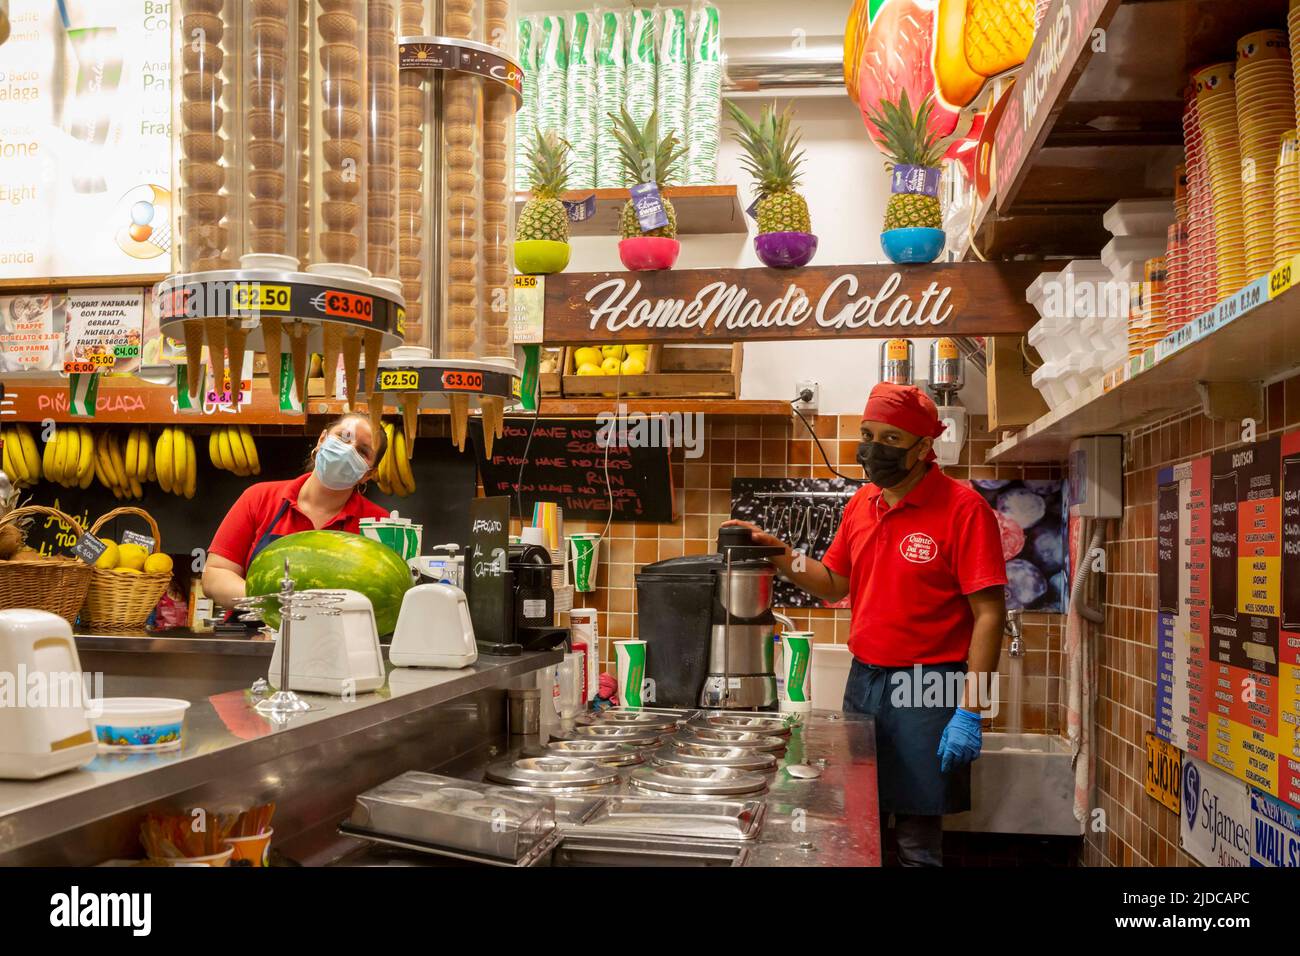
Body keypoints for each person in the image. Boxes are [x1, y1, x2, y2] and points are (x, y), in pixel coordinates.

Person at [725, 382, 1007, 866]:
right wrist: (780, 554)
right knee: (858, 827)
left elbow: (990, 615)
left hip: (928, 686)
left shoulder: (964, 510)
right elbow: (835, 583)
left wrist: (971, 710)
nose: (874, 448)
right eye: (868, 433)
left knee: (917, 838)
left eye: (892, 439)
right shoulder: (862, 504)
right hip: (865, 680)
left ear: (924, 447)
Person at [202, 412, 390, 606]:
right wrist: (272, 604)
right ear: (322, 440)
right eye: (343, 437)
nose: (348, 450)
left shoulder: (379, 523)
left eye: (362, 452)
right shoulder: (259, 497)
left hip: (339, 633)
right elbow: (215, 575)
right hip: (256, 630)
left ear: (368, 475)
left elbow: (384, 596)